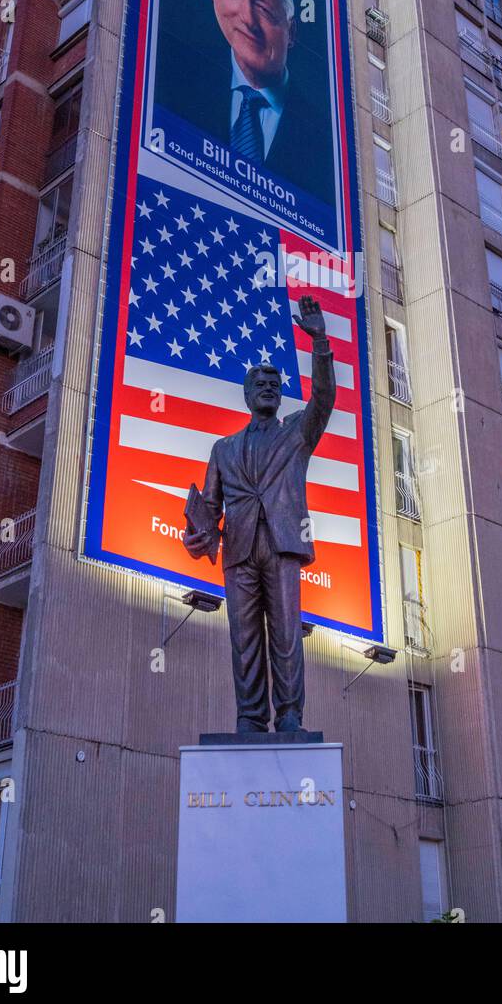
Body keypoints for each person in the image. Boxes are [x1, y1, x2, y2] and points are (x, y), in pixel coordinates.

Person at [183, 294, 335, 733]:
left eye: (275, 384)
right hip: (239, 550)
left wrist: (319, 341)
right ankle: (250, 717)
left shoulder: (297, 433)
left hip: (282, 545)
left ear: (280, 395)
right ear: (248, 395)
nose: (268, 388)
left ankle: (289, 715)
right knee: (244, 638)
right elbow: (209, 509)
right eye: (260, 385)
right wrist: (196, 537)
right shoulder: (223, 449)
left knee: (286, 634)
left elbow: (324, 397)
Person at [156, 0, 335, 209]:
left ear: (291, 30)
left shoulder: (326, 142)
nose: (247, 19)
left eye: (265, 8)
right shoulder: (172, 84)